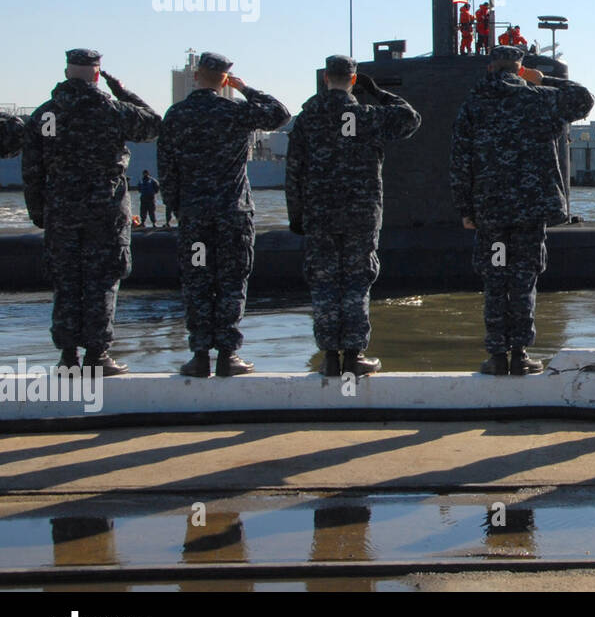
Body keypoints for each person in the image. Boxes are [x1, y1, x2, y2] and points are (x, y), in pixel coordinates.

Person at [450, 45, 594, 374]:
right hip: (530, 210)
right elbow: (584, 99)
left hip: (492, 211)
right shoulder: (540, 98)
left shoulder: (474, 105)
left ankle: (497, 356)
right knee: (523, 280)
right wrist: (545, 79)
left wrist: (465, 209)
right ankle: (520, 354)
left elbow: (459, 161)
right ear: (520, 69)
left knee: (496, 277)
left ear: (489, 68)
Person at [22, 49, 161, 373]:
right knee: (102, 279)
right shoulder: (113, 110)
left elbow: (32, 169)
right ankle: (97, 355)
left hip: (61, 209)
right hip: (106, 210)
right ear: (98, 75)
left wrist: (39, 212)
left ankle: (68, 356)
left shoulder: (47, 116)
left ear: (67, 73)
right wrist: (122, 90)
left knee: (66, 279)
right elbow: (153, 125)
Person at [286, 55, 421, 377]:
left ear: (325, 79)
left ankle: (330, 357)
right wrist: (378, 93)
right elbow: (410, 119)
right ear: (354, 79)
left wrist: (297, 215)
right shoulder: (368, 115)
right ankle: (354, 354)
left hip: (320, 214)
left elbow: (294, 171)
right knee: (357, 282)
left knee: (324, 282)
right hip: (360, 214)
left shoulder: (307, 119)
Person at [158, 52, 290, 378]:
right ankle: (228, 356)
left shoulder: (177, 115)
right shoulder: (235, 111)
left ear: (196, 76)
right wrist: (246, 89)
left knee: (198, 280)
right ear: (225, 79)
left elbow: (167, 170)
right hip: (233, 214)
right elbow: (280, 114)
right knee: (231, 282)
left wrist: (179, 209)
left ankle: (200, 354)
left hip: (195, 219)